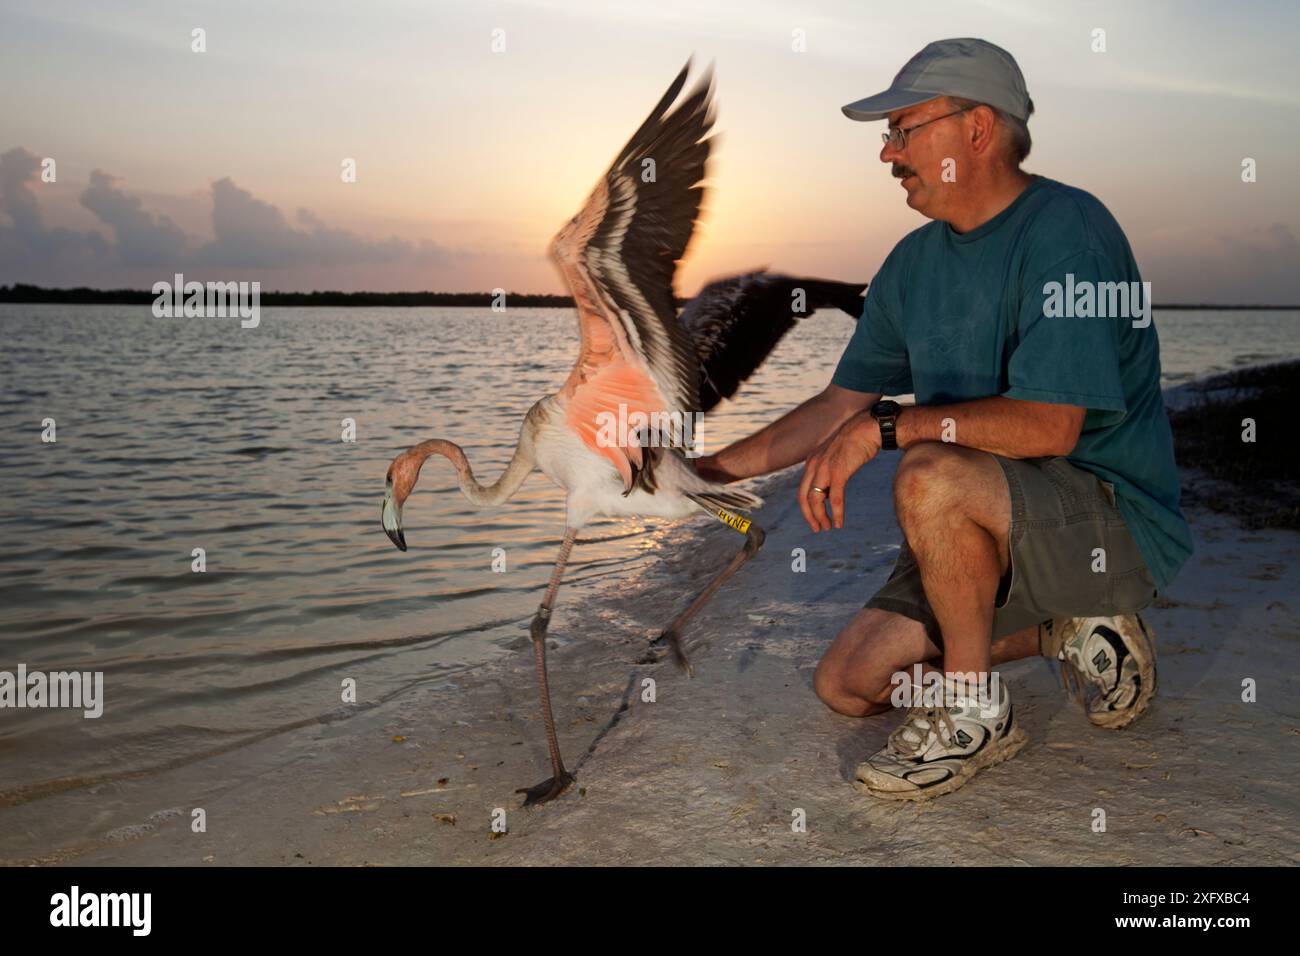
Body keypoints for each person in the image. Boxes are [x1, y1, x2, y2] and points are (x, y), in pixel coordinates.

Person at [694, 38, 1192, 800]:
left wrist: (889, 429)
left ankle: (973, 710)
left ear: (978, 129)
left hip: (1100, 521)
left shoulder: (1069, 233)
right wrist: (703, 472)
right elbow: (837, 406)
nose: (888, 154)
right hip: (979, 520)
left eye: (903, 130)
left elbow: (1051, 429)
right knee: (849, 685)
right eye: (885, 136)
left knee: (926, 470)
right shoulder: (912, 262)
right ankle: (1061, 628)